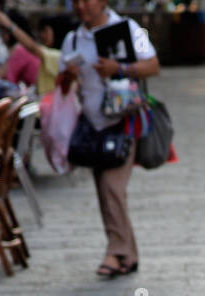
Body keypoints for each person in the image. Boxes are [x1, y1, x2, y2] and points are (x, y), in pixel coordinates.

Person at [60, 0, 160, 278]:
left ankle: (115, 252)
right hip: (92, 123)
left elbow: (153, 65)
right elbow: (63, 85)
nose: (82, 7)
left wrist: (120, 68)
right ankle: (128, 253)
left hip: (123, 120)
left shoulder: (127, 29)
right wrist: (68, 77)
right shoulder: (72, 39)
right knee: (106, 192)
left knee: (112, 188)